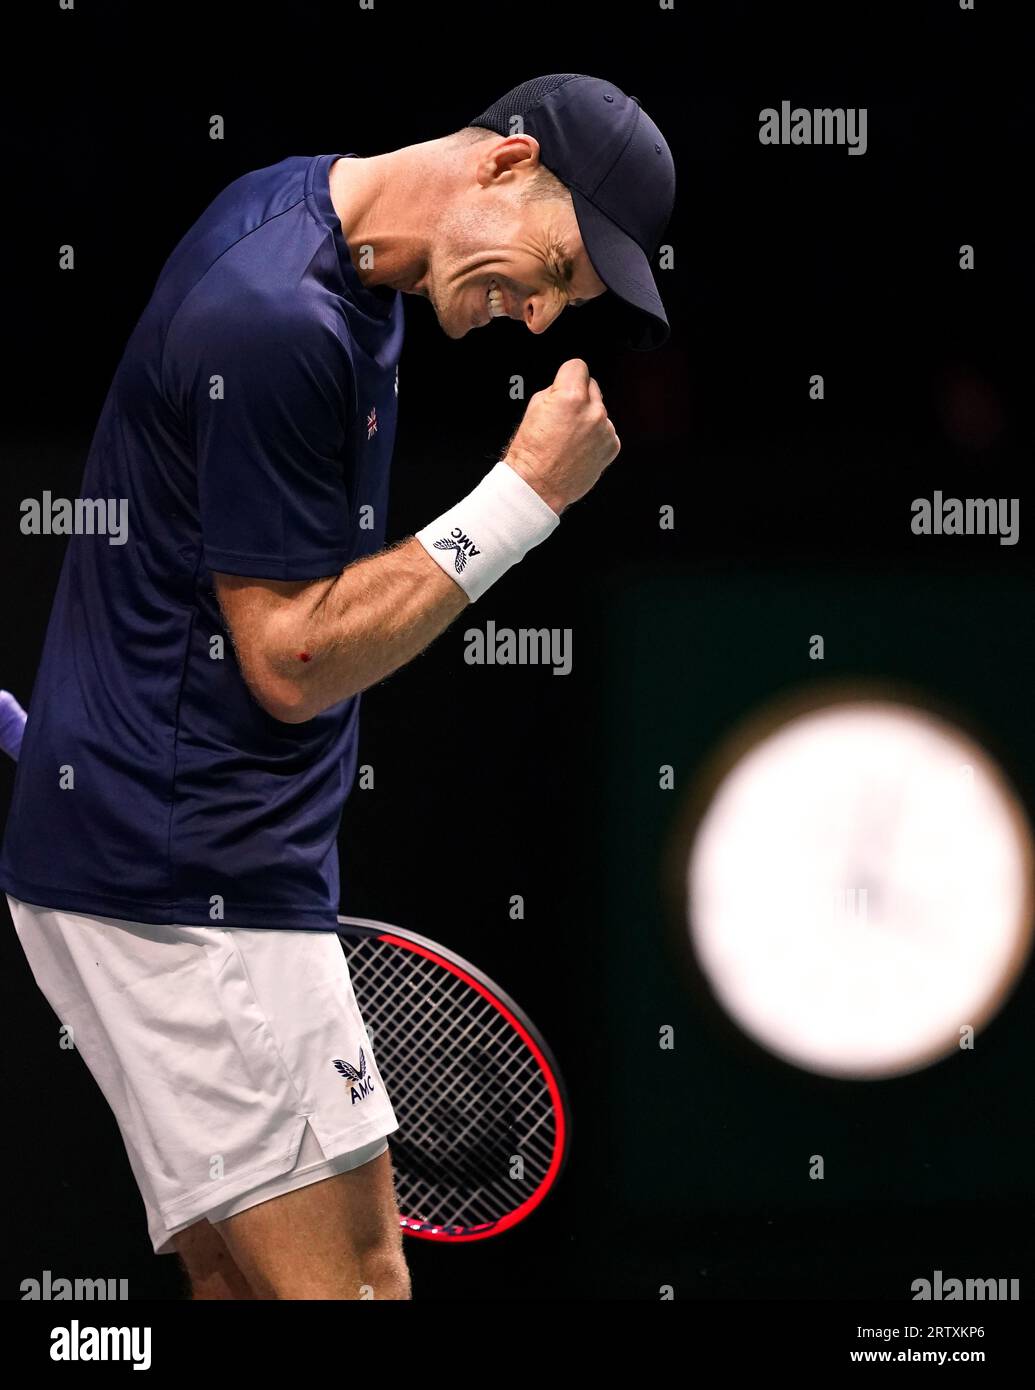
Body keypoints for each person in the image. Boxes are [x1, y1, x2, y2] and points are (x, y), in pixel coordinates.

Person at [0, 73, 674, 1300]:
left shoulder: (321, 238)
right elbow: (293, 660)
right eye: (561, 268)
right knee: (357, 1288)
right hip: (194, 876)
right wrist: (524, 501)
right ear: (508, 162)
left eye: (566, 303)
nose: (541, 320)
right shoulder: (279, 320)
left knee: (237, 1284)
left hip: (153, 842)